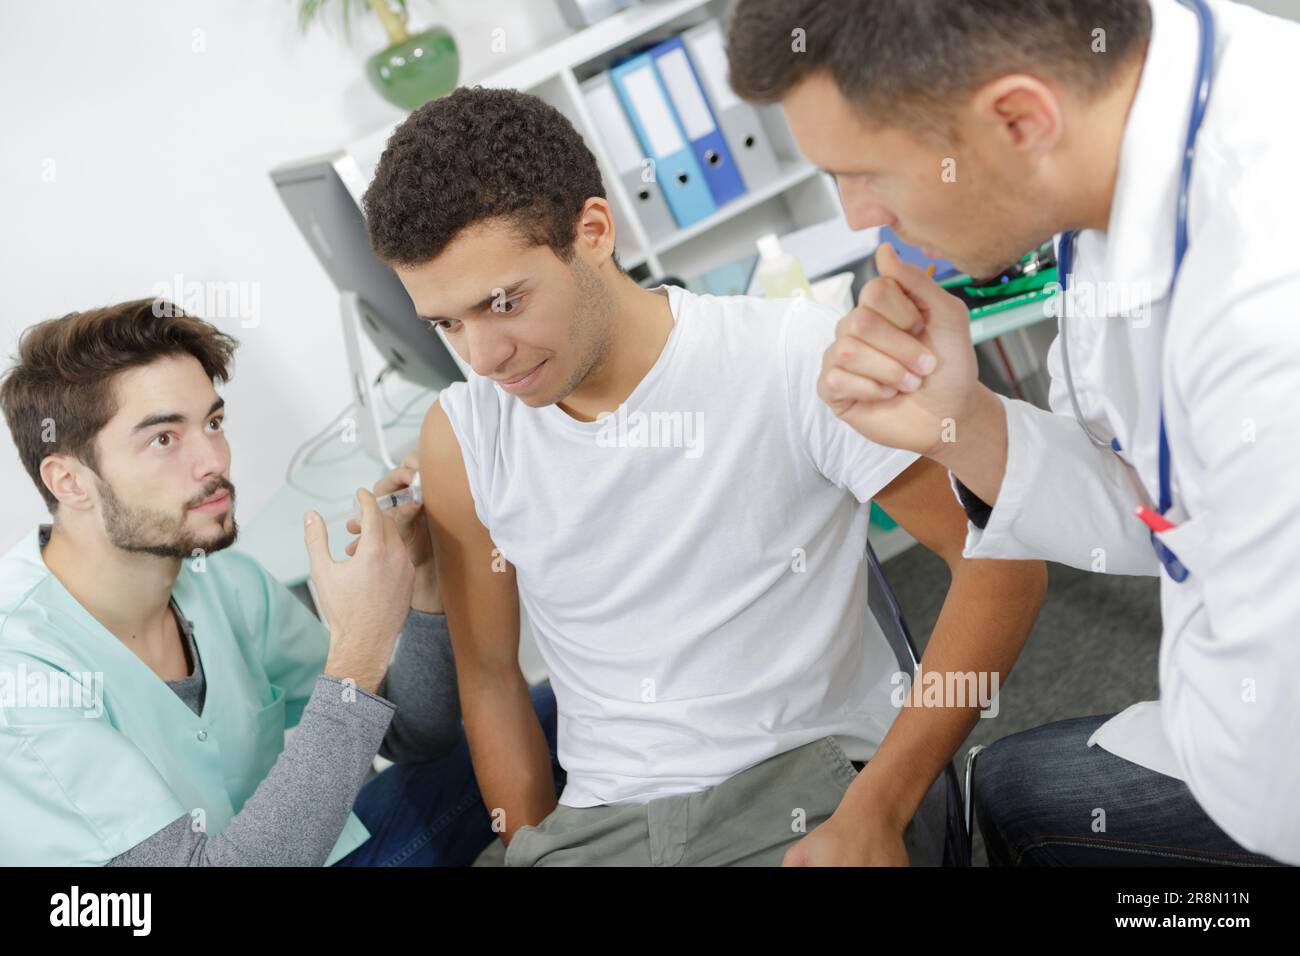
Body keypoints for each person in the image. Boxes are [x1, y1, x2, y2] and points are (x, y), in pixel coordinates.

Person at [361, 85, 1047, 866]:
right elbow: (488, 679)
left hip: (802, 797)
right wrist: (528, 848)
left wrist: (881, 809)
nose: (484, 357)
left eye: (505, 302)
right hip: (599, 831)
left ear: (592, 232)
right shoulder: (463, 433)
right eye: (448, 324)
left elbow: (1004, 561)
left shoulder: (788, 356)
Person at [725, 0, 1300, 864]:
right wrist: (962, 422)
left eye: (864, 171)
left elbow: (1271, 787)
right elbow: (1161, 504)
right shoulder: (1125, 126)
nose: (856, 216)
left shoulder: (1265, 307)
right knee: (1013, 789)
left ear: (1020, 119)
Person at [0, 299, 561, 865]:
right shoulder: (20, 673)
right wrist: (356, 653)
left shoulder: (224, 580)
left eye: (212, 423)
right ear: (68, 480)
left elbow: (413, 737)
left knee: (555, 715)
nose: (213, 461)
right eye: (164, 439)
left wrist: (422, 585)